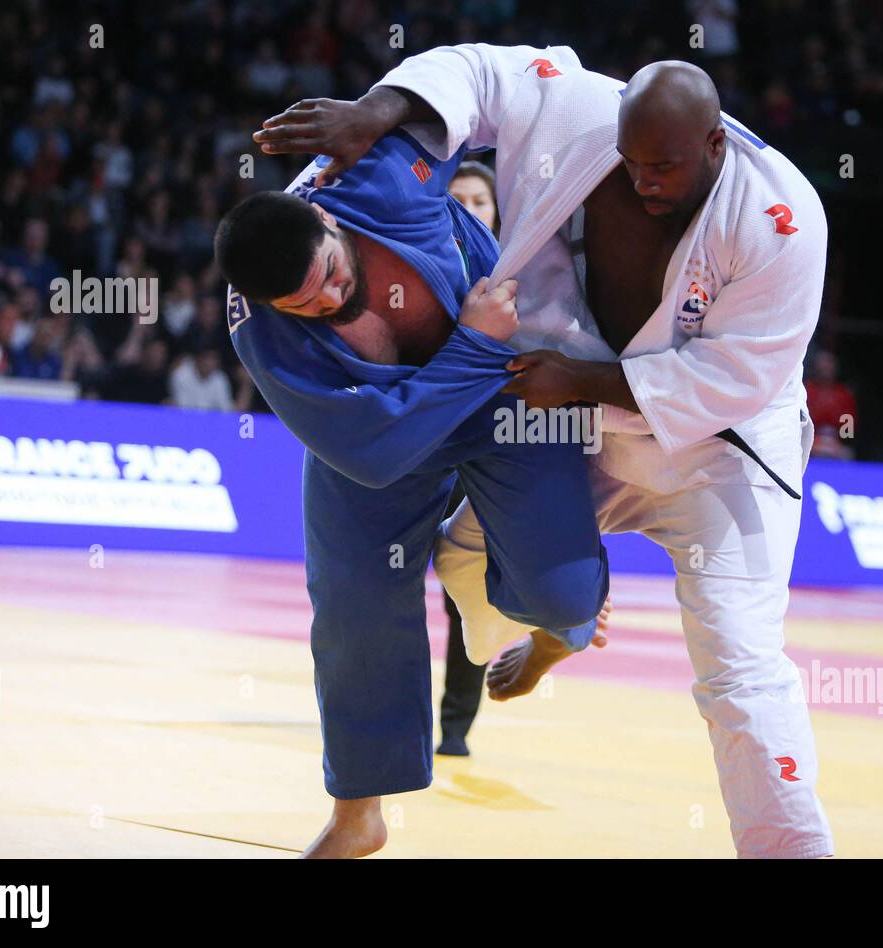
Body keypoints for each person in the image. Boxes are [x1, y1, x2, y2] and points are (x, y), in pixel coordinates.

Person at [255, 44, 832, 859]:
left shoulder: (782, 221)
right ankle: (408, 764)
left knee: (739, 667)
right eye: (631, 162)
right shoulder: (584, 115)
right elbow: (483, 72)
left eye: (664, 167)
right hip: (570, 416)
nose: (643, 182)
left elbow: (736, 379)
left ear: (715, 147)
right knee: (453, 566)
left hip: (717, 457)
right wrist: (376, 111)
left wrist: (582, 380)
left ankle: (793, 852)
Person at [218, 117, 609, 857]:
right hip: (382, 435)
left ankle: (557, 625)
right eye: (306, 304)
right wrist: (470, 342)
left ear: (326, 218)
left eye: (331, 273)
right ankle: (357, 815)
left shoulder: (380, 176)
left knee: (562, 594)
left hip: (504, 396)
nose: (329, 300)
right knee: (351, 602)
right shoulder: (263, 336)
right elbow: (373, 455)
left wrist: (385, 105)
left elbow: (479, 96)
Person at [435, 159, 501, 757]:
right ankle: (392, 725)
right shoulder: (417, 278)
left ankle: (455, 726)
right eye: (456, 199)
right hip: (426, 446)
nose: (468, 210)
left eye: (479, 201)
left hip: (488, 449)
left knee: (466, 593)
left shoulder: (519, 280)